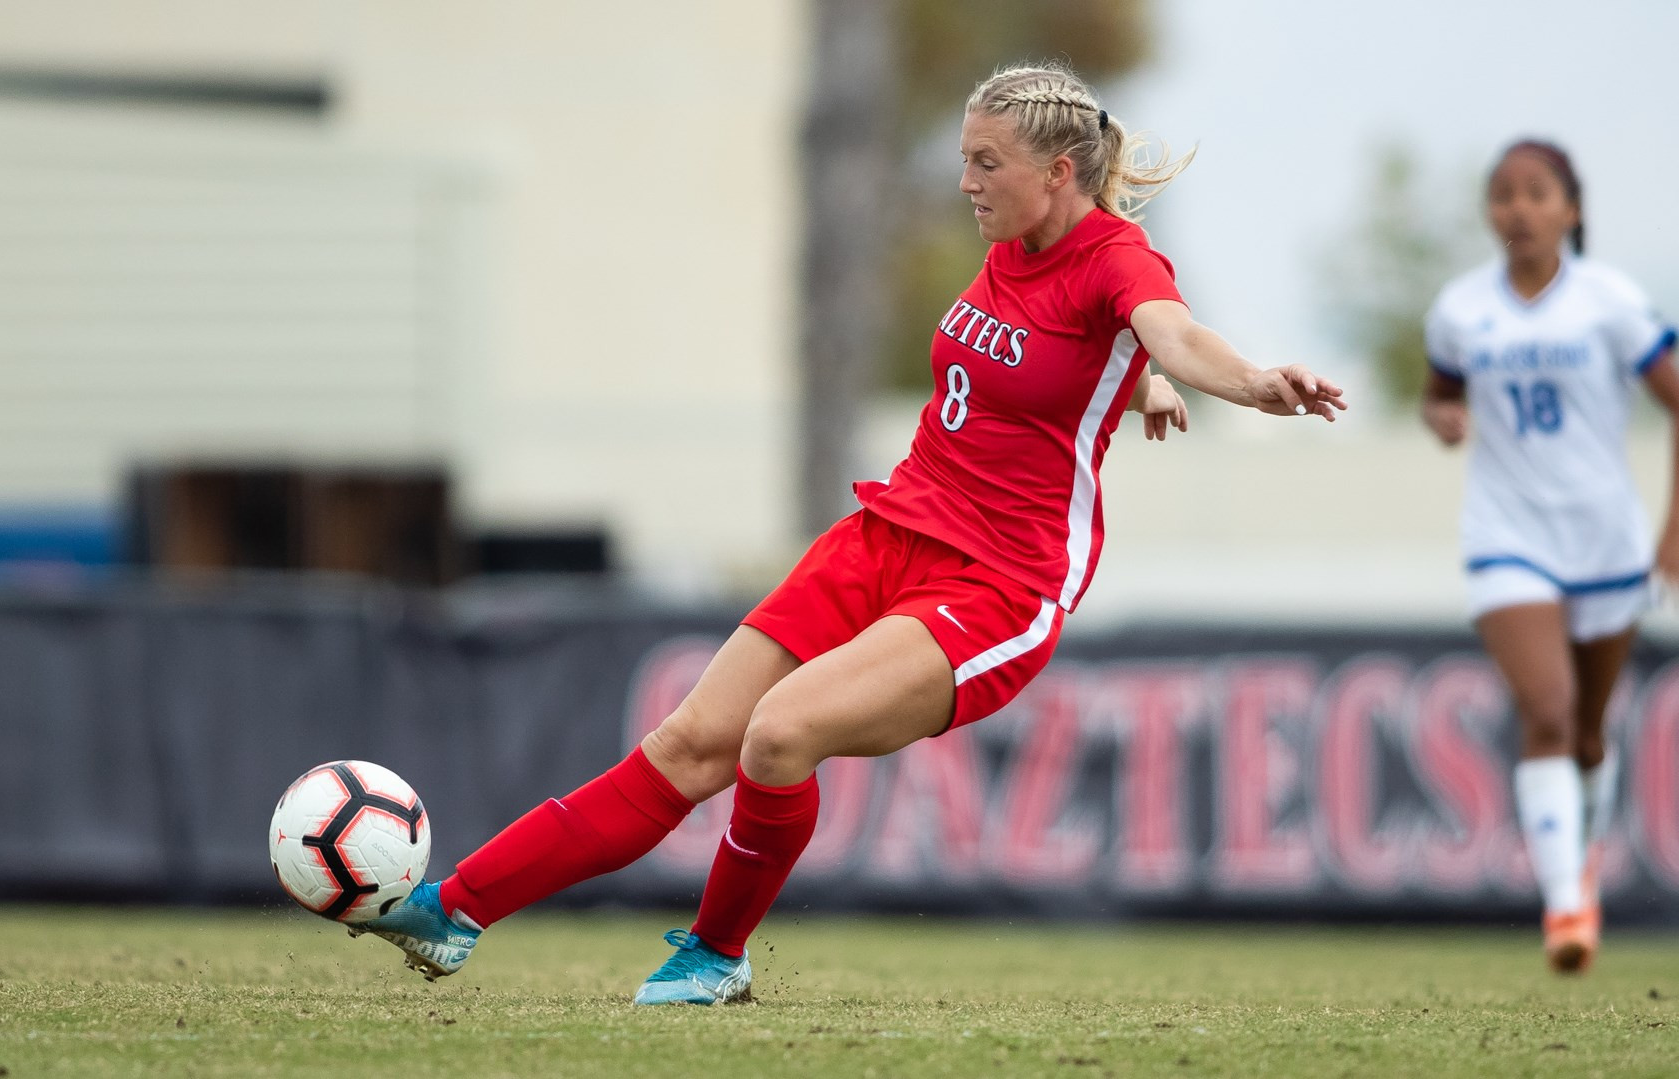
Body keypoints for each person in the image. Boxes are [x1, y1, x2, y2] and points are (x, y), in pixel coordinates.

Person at [352, 63, 1345, 1004]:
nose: (964, 181)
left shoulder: (1118, 254)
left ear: (1057, 172)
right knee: (693, 742)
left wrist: (1249, 381)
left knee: (780, 734)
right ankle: (456, 911)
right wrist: (1140, 378)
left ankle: (717, 954)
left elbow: (1164, 323)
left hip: (999, 581)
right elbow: (1068, 358)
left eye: (984, 162)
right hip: (883, 533)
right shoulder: (1016, 241)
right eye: (964, 157)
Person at [1422, 139, 1678, 974]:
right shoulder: (1461, 308)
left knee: (1591, 736)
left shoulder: (1608, 301)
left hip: (1604, 541)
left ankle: (1581, 869)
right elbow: (1441, 391)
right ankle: (1566, 903)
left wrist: (1672, 533)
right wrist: (1442, 419)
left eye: (1536, 193)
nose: (1518, 209)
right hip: (1508, 537)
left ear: (1571, 209)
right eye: (1503, 195)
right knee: (1547, 710)